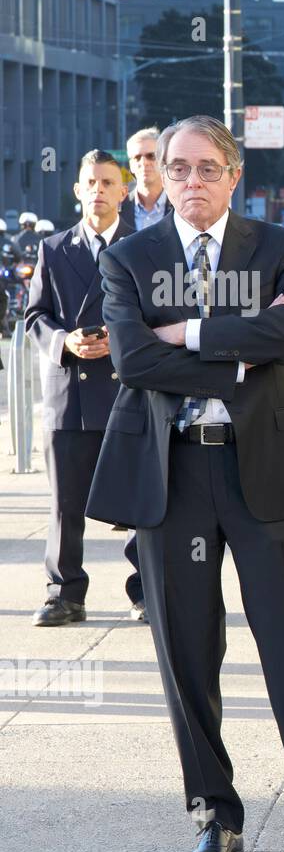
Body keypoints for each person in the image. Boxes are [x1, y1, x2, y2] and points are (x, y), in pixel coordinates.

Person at [86, 114, 284, 852]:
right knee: (187, 652)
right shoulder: (131, 256)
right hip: (172, 476)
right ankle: (215, 816)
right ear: (161, 175)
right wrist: (235, 353)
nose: (192, 182)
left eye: (208, 168)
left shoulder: (278, 248)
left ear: (234, 175)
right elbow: (136, 361)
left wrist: (188, 333)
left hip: (264, 470)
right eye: (178, 168)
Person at [23, 149, 145, 626]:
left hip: (126, 391)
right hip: (70, 393)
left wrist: (121, 338)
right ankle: (64, 592)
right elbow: (35, 316)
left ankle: (147, 590)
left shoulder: (145, 246)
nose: (98, 191)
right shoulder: (54, 249)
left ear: (124, 191)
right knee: (65, 505)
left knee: (141, 499)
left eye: (108, 183)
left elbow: (162, 317)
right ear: (77, 190)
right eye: (90, 182)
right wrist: (64, 340)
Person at [118, 126, 171, 232]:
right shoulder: (117, 208)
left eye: (151, 156)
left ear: (163, 160)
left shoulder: (179, 205)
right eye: (137, 158)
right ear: (131, 165)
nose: (144, 163)